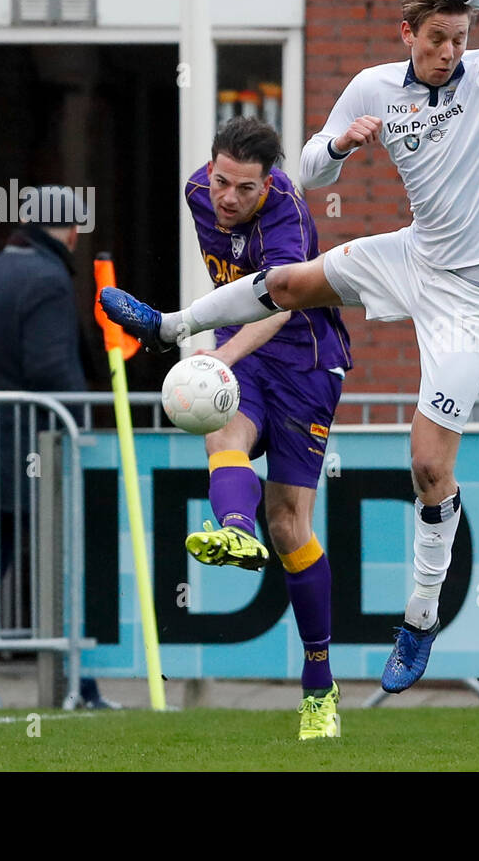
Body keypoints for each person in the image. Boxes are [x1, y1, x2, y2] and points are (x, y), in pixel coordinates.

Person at [102, 0, 479, 693]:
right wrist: (340, 143)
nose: (448, 52)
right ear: (408, 36)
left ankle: (420, 616)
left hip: (477, 292)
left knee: (429, 464)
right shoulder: (375, 86)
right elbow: (308, 169)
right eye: (436, 39)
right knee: (289, 279)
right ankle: (170, 327)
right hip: (416, 254)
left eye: (459, 38)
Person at [168, 119, 353, 738]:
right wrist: (220, 353)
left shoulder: (288, 216)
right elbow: (230, 288)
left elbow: (278, 304)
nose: (227, 198)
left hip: (304, 360)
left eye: (244, 189)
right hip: (241, 353)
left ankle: (319, 686)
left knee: (290, 523)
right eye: (222, 181)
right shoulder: (198, 193)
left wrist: (217, 356)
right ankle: (234, 530)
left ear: (267, 183)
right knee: (221, 432)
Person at [0, 187, 117, 710]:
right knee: (63, 572)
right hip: (40, 451)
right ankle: (82, 688)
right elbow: (52, 369)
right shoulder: (50, 280)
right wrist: (80, 429)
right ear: (72, 232)